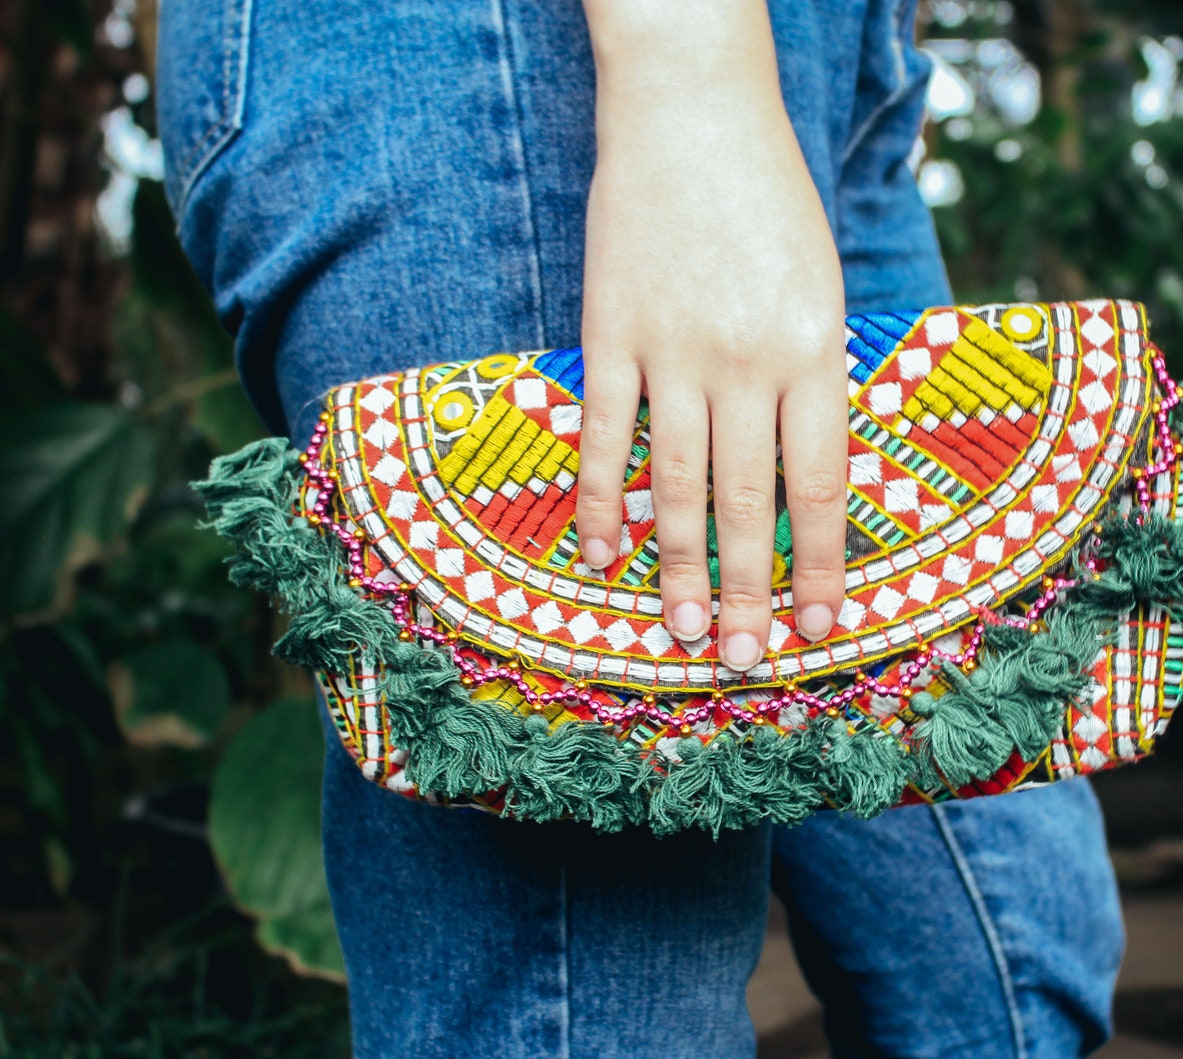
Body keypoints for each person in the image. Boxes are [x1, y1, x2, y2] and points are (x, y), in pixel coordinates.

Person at [158, 0, 1126, 1054]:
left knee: (1007, 967)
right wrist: (690, 77)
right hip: (533, 49)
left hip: (822, 50)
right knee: (592, 1000)